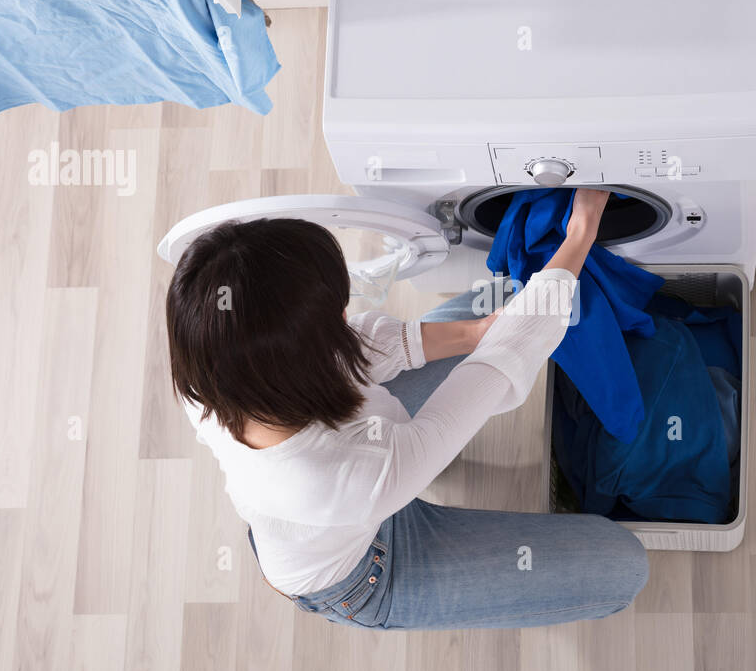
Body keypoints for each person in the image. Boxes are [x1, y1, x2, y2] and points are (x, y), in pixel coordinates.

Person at [165, 188, 649, 629]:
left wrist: (479, 330)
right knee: (625, 565)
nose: (347, 312)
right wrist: (581, 230)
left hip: (332, 507)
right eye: (339, 310)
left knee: (500, 301)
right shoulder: (345, 474)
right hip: (365, 571)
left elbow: (358, 346)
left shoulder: (209, 375)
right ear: (307, 360)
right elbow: (499, 367)